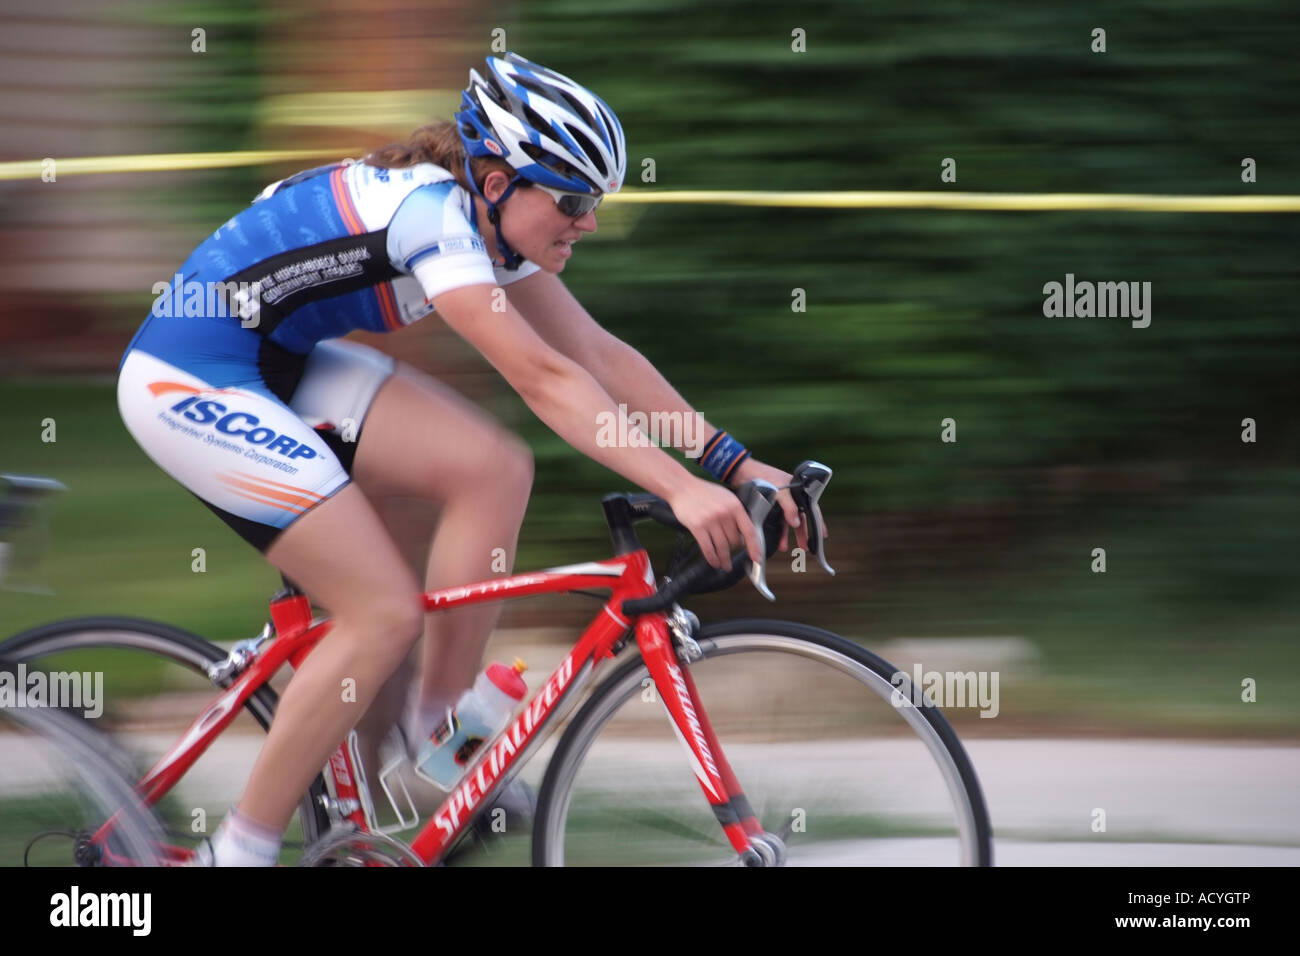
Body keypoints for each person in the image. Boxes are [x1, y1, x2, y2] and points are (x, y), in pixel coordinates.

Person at [116, 52, 809, 866]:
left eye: (598, 203)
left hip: (281, 363)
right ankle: (239, 851)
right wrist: (678, 489)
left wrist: (731, 462)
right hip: (187, 377)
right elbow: (545, 379)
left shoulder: (497, 229)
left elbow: (595, 352)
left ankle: (435, 745)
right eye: (574, 199)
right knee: (381, 613)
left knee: (492, 466)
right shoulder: (433, 219)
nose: (587, 222)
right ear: (493, 182)